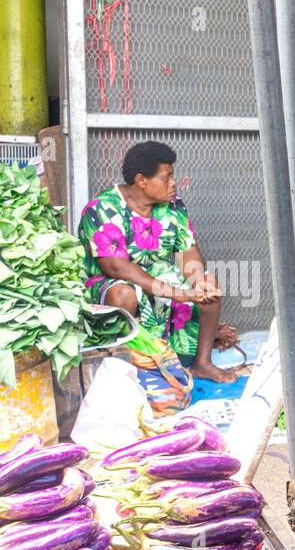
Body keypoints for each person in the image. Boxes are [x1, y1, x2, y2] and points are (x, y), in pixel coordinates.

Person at [78, 140, 236, 382]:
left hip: (160, 277)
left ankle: (201, 363)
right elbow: (115, 267)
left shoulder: (173, 206)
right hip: (112, 282)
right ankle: (123, 371)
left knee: (208, 287)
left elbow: (188, 252)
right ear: (142, 181)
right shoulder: (102, 208)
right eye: (166, 177)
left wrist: (198, 281)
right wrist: (178, 293)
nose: (173, 183)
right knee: (124, 295)